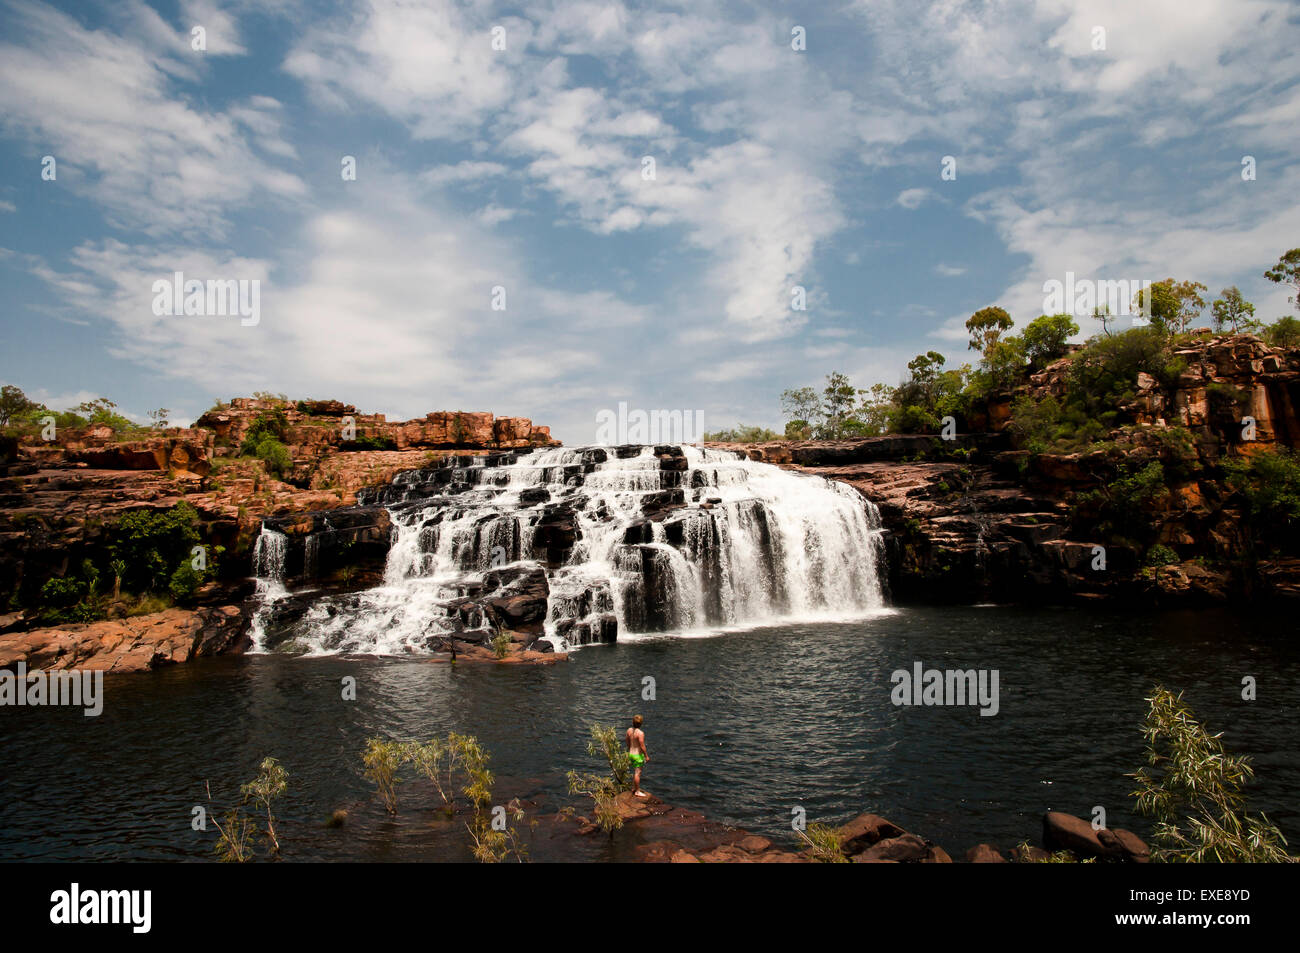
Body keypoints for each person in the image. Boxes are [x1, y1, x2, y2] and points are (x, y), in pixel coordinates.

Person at [625, 714, 649, 798]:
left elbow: (627, 741)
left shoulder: (629, 730)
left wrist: (629, 749)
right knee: (637, 773)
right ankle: (637, 791)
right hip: (637, 755)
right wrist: (646, 756)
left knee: (635, 772)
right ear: (641, 723)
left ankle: (633, 788)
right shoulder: (640, 733)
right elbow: (642, 745)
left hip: (631, 754)